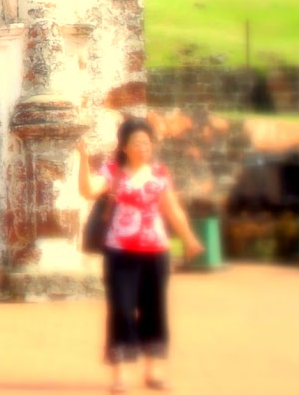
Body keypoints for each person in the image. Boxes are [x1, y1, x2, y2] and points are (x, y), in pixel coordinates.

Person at [77, 119, 204, 393]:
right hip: (120, 252)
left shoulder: (159, 174)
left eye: (147, 142)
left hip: (155, 251)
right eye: (137, 143)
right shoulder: (113, 172)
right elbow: (88, 191)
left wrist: (190, 239)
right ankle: (120, 373)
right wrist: (83, 160)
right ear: (124, 147)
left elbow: (172, 209)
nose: (143, 147)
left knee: (154, 309)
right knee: (121, 309)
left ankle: (154, 370)